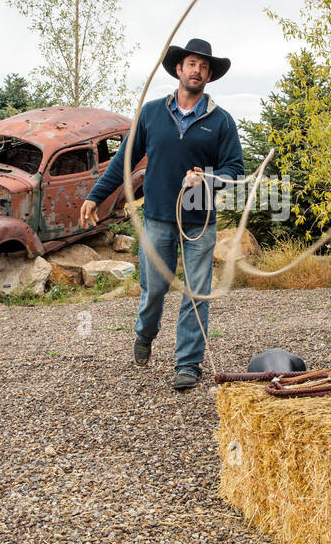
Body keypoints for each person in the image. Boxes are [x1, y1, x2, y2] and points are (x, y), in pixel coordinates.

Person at [79, 37, 244, 390]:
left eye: (204, 66)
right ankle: (145, 332)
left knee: (197, 292)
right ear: (179, 69)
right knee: (154, 288)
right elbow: (124, 161)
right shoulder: (152, 113)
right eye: (191, 64)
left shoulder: (221, 121)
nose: (196, 70)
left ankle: (188, 363)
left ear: (209, 75)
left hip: (199, 219)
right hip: (156, 216)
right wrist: (96, 195)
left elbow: (235, 170)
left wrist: (208, 180)